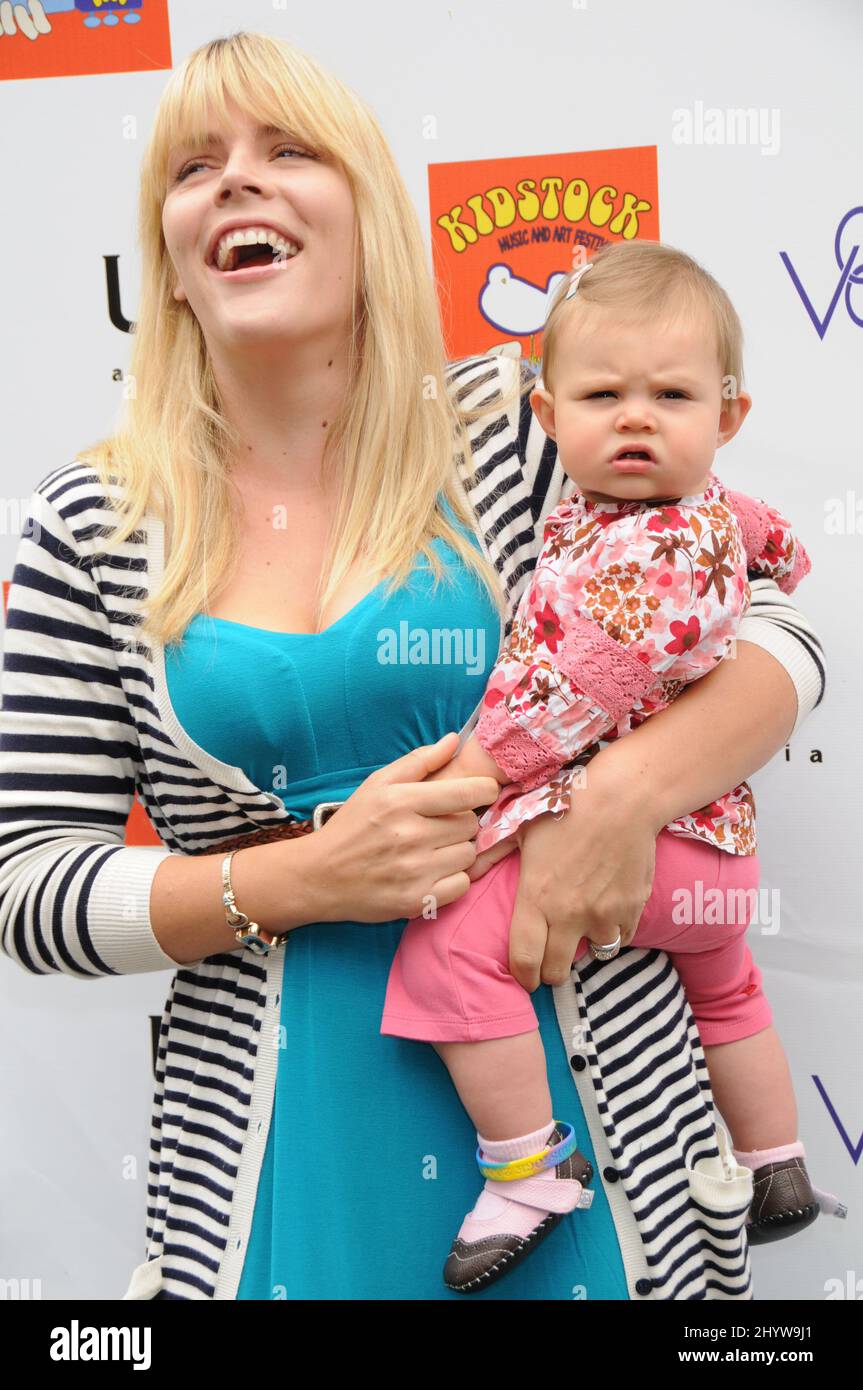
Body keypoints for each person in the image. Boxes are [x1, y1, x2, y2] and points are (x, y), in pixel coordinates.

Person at [0, 32, 828, 1301]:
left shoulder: (528, 423)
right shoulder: (86, 523)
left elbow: (774, 625)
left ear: (371, 214)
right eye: (194, 166)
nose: (237, 183)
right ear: (163, 260)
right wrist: (305, 876)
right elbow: (31, 890)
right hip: (280, 1157)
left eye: (288, 151)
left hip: (605, 1121)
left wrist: (621, 796)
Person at [381, 241, 833, 1293]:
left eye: (669, 394)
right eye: (602, 394)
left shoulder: (642, 555)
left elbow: (568, 692)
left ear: (726, 418)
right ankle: (774, 1165)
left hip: (651, 849)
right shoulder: (701, 513)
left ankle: (529, 1170)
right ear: (546, 415)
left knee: (450, 954)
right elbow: (764, 539)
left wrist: (476, 774)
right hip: (712, 858)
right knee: (727, 996)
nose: (634, 417)